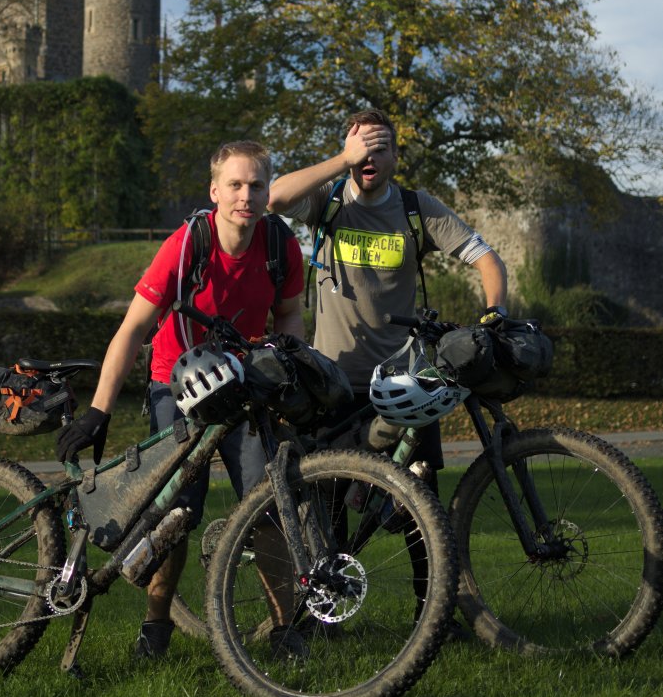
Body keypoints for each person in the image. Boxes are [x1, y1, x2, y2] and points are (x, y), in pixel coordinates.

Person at [57, 139, 305, 660]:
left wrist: (284, 360)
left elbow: (288, 316)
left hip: (242, 385)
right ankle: (156, 625)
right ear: (215, 191)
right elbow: (131, 331)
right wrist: (100, 410)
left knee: (267, 505)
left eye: (256, 185)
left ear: (267, 191)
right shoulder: (186, 245)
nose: (246, 195)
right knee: (175, 514)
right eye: (235, 185)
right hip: (178, 383)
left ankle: (286, 630)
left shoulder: (282, 246)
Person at [267, 107, 507, 483]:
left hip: (405, 384)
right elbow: (275, 198)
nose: (369, 157)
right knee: (331, 514)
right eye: (362, 146)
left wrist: (495, 314)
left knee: (420, 512)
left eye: (380, 148)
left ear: (395, 157)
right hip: (333, 386)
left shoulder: (417, 208)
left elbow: (489, 261)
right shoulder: (327, 202)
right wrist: (344, 158)